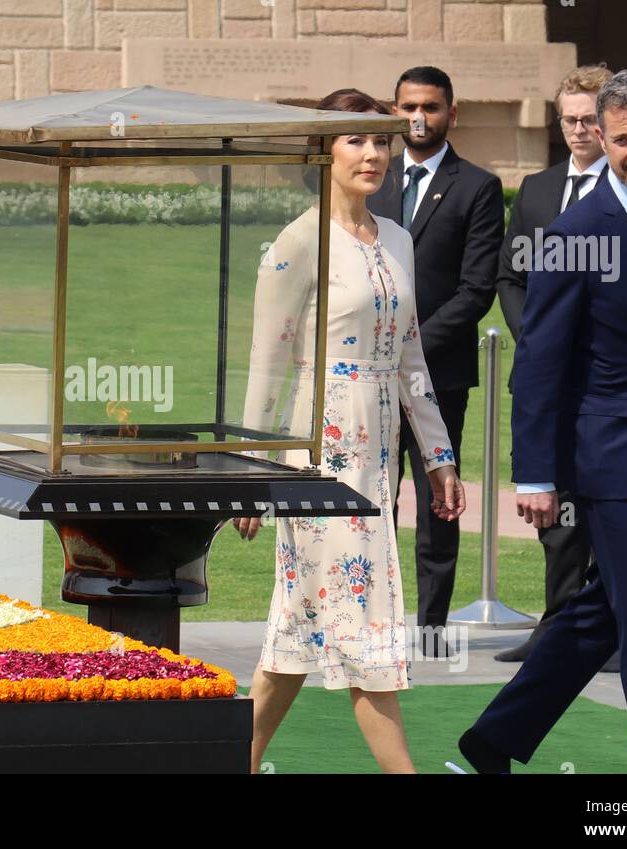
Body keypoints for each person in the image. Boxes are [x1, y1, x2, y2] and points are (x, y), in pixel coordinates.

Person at [459, 69, 627, 774]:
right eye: (623, 138)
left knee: (603, 610)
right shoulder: (573, 231)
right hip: (601, 457)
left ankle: (494, 738)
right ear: (601, 136)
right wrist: (535, 475)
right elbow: (539, 361)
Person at [233, 89, 465, 775]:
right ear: (322, 151)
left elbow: (411, 355)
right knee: (366, 627)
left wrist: (439, 457)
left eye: (382, 141)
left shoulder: (397, 238)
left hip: (378, 458)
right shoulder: (297, 243)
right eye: (355, 141)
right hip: (319, 462)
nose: (374, 154)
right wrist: (252, 468)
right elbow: (265, 363)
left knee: (297, 636)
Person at [367, 67, 504, 657]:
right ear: (394, 112)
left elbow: (476, 291)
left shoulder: (477, 186)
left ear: (452, 112)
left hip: (436, 373)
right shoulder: (371, 179)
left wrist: (408, 342)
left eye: (430, 106)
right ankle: (368, 620)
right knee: (371, 496)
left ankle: (429, 627)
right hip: (367, 373)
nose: (417, 116)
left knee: (436, 499)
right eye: (406, 107)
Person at [493, 63, 621, 671]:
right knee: (554, 510)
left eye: (589, 120)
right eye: (568, 119)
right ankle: (558, 631)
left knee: (610, 507)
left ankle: (610, 634)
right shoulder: (539, 191)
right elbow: (510, 277)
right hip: (545, 386)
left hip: (606, 383)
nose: (577, 130)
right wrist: (539, 344)